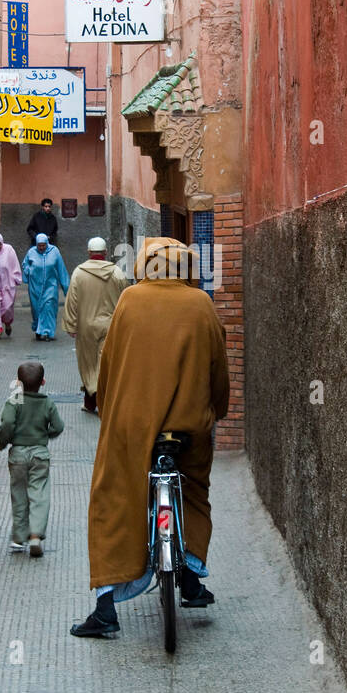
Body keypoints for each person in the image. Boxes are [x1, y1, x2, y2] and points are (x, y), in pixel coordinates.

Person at [70, 238, 230, 639]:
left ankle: (105, 609)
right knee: (193, 491)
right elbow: (219, 370)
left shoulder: (130, 301)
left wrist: (109, 410)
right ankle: (191, 579)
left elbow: (108, 364)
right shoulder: (201, 305)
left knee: (113, 499)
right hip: (190, 427)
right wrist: (216, 412)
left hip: (132, 425)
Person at [0, 362, 64, 557]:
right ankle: (35, 535)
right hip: (40, 455)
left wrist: (2, 442)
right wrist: (45, 435)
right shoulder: (47, 403)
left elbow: (7, 424)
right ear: (43, 382)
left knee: (19, 494)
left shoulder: (14, 401)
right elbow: (58, 426)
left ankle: (18, 538)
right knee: (39, 494)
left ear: (18, 382)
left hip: (17, 455)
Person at [61, 236, 131, 414]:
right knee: (107, 363)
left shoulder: (79, 273)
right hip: (111, 326)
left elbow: (72, 301)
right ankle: (105, 400)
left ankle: (91, 401)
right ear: (106, 253)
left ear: (89, 252)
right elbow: (127, 300)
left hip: (86, 327)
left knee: (88, 364)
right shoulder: (117, 273)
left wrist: (71, 324)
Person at [22, 233, 69, 341]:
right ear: (37, 244)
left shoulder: (54, 251)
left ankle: (47, 332)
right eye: (40, 245)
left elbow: (61, 269)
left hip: (50, 286)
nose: (42, 247)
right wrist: (28, 271)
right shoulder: (31, 252)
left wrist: (66, 287)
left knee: (49, 307)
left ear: (47, 243)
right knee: (36, 310)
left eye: (44, 245)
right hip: (35, 287)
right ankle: (38, 329)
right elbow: (25, 264)